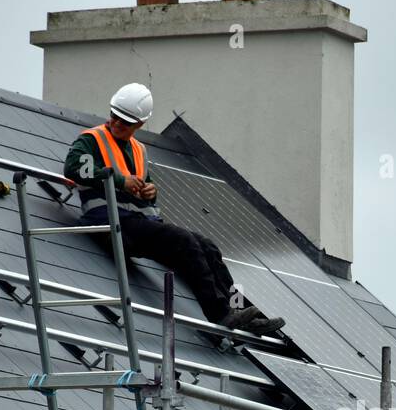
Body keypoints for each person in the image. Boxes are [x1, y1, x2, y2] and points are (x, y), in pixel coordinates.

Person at [62, 83, 284, 335]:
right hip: (112, 221)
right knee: (184, 241)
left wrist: (150, 190)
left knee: (208, 246)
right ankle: (221, 314)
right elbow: (73, 169)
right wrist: (120, 181)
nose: (116, 123)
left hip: (140, 223)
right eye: (114, 116)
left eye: (125, 121)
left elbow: (146, 183)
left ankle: (240, 312)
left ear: (139, 125)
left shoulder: (138, 149)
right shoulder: (92, 140)